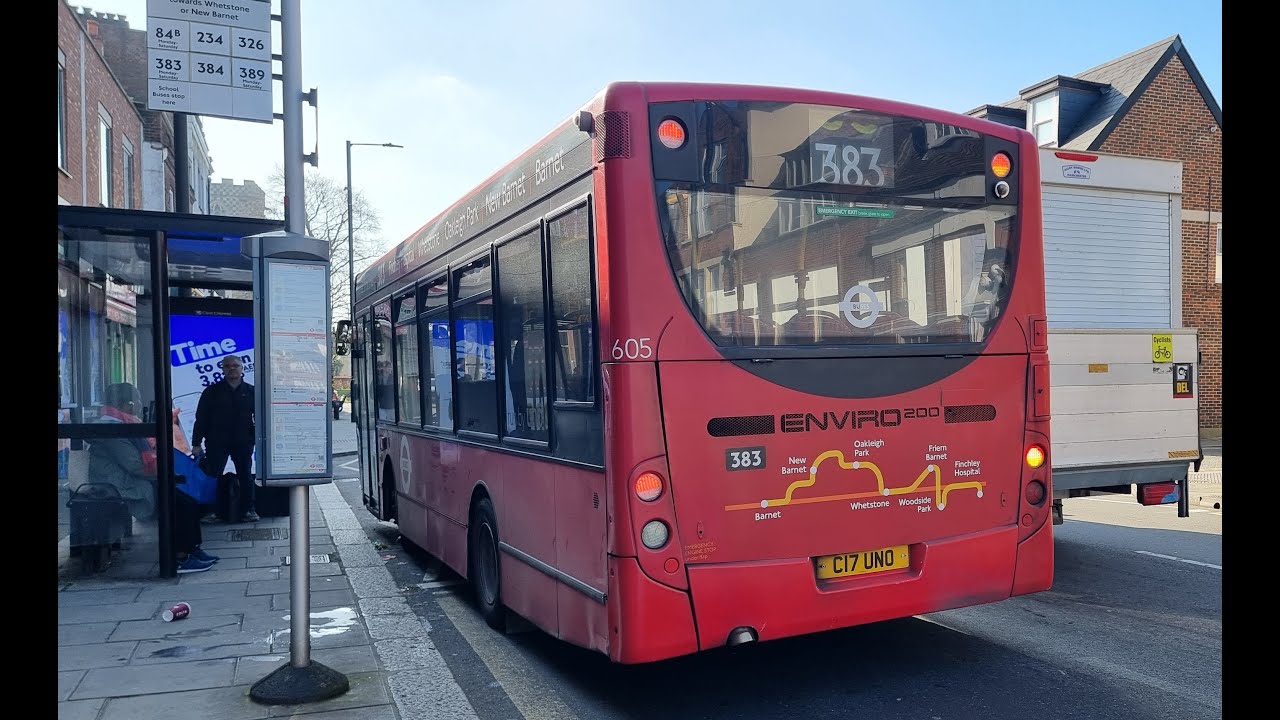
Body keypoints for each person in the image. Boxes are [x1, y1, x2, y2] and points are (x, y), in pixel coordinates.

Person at [90, 383, 218, 574]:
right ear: (127, 404)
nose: (138, 405)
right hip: (119, 484)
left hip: (130, 477)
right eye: (136, 401)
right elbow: (134, 465)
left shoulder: (124, 423)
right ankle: (180, 557)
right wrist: (165, 470)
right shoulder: (112, 428)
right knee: (179, 503)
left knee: (187, 499)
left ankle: (191, 549)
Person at [192, 354, 258, 522]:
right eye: (227, 366)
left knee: (246, 476)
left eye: (235, 365)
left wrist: (257, 438)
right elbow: (201, 418)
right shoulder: (211, 392)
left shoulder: (251, 391)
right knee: (212, 477)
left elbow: (260, 418)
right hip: (216, 442)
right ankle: (210, 512)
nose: (231, 369)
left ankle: (249, 510)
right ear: (222, 369)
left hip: (243, 441)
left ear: (242, 368)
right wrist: (196, 443)